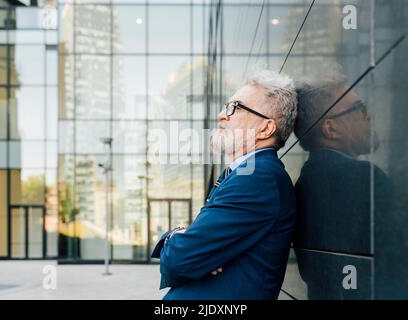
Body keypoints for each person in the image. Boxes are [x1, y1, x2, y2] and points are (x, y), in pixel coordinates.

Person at [151, 69, 298, 300]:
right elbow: (192, 248)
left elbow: (181, 259)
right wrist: (188, 240)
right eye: (225, 106)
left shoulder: (258, 178)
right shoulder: (243, 173)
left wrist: (174, 237)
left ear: (266, 128)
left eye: (235, 108)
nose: (221, 115)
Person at [293, 74, 392, 299]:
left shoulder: (306, 181)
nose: (370, 115)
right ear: (331, 129)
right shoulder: (363, 178)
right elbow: (396, 265)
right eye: (359, 108)